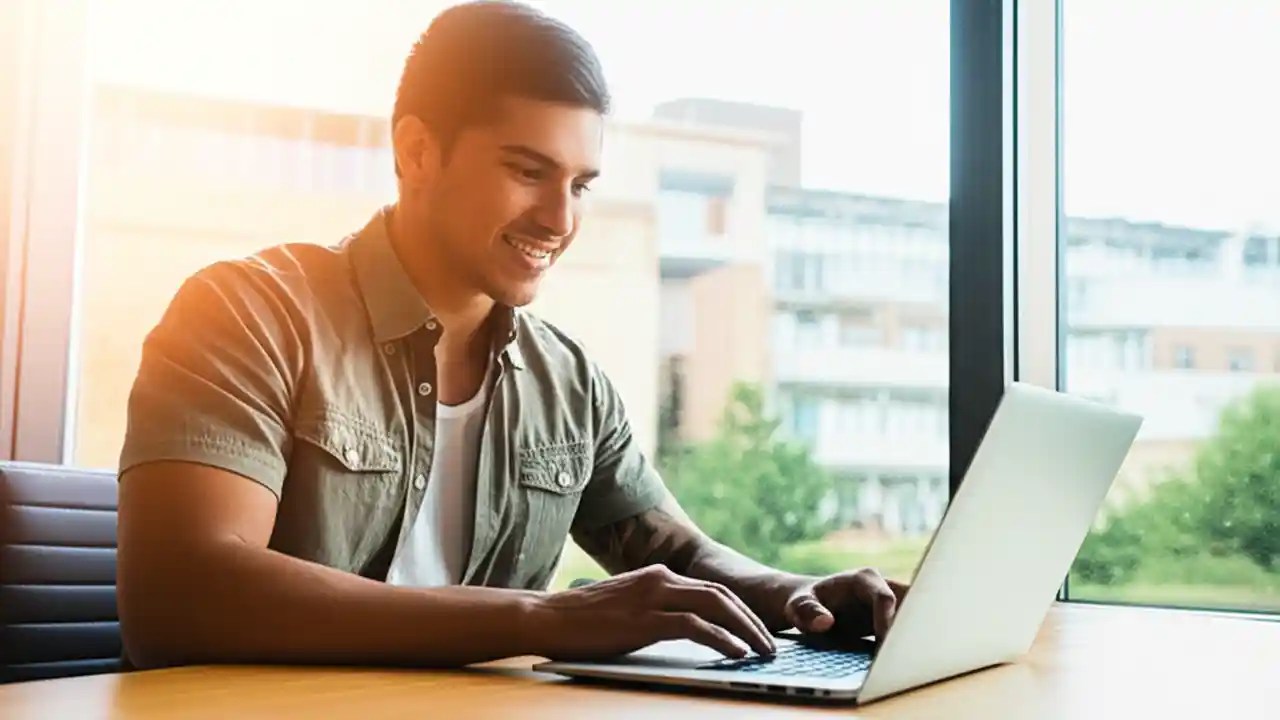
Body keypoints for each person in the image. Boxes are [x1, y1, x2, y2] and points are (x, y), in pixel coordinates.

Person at [116, 0, 906, 670]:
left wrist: (795, 595)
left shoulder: (567, 380)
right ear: (417, 151)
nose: (561, 222)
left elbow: (676, 557)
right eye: (528, 172)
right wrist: (539, 619)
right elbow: (183, 594)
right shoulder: (251, 314)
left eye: (580, 186)